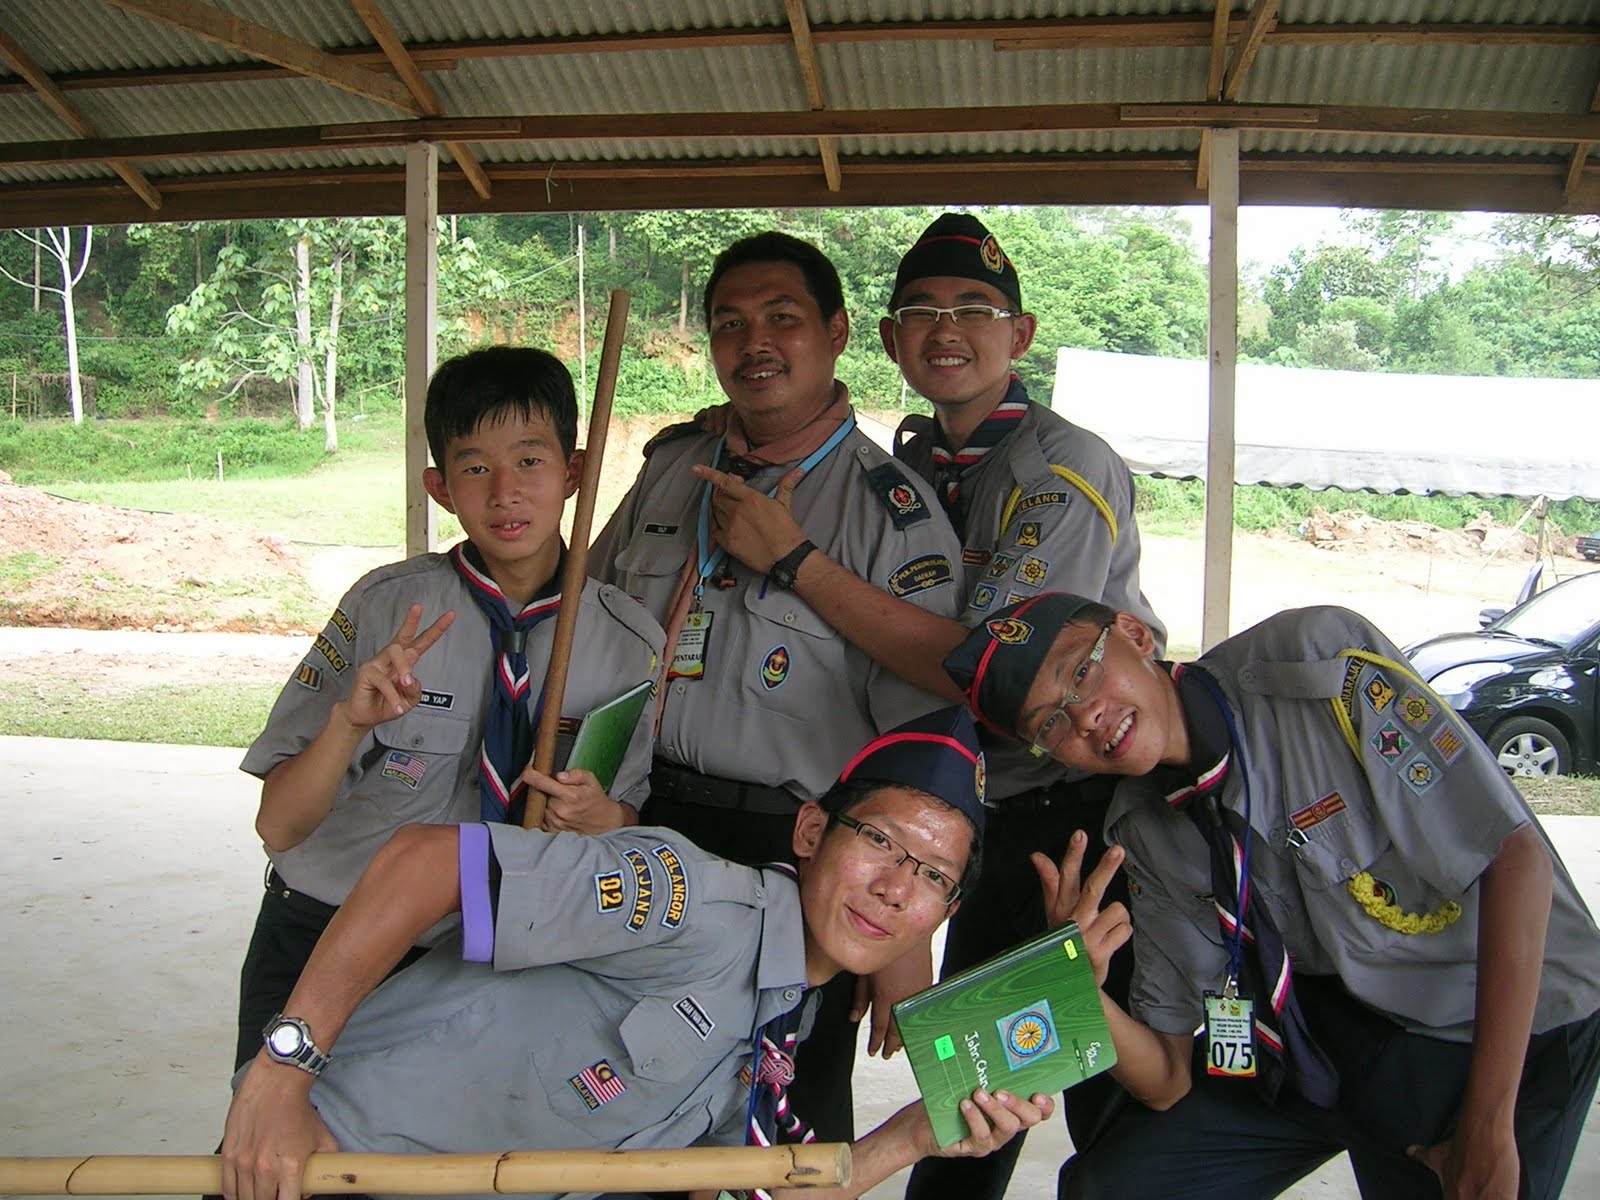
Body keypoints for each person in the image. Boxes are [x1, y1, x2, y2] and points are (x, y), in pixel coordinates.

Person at [693, 213, 1162, 1193]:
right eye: (920, 311)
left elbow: (987, 671)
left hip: (1087, 824)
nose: (946, 330)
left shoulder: (1056, 471)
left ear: (1020, 335)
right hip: (981, 823)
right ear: (889, 338)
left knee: (1104, 1108)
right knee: (968, 1094)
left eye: (975, 311)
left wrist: (795, 559)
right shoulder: (913, 466)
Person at [219, 708, 1055, 1200]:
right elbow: (425, 863)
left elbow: (765, 1183)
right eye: (878, 840)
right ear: (809, 832)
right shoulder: (690, 902)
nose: (895, 888)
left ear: (942, 912)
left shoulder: (776, 1016)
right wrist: (282, 1070)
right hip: (324, 1170)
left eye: (933, 875)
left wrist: (913, 1136)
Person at [944, 591, 1600, 1200]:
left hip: (1494, 1018)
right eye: (1051, 722)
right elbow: (1169, 1077)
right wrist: (1078, 989)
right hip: (1323, 1034)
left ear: (1136, 635)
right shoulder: (1145, 830)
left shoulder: (1318, 665)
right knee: (1114, 1185)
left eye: (1081, 672)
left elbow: (1515, 862)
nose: (1084, 716)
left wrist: (1489, 1126)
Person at [588, 231, 961, 1142]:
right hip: (636, 826)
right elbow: (592, 634)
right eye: (730, 324)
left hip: (788, 855)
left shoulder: (891, 514)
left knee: (780, 1122)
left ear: (835, 333)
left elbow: (925, 740)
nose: (754, 342)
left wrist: (904, 935)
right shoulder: (669, 470)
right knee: (616, 1087)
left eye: (782, 319)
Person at [232, 346, 664, 1071]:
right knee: (271, 1162)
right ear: (439, 487)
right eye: (474, 467)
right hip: (325, 932)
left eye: (530, 460)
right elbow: (278, 822)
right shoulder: (386, 608)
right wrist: (349, 724)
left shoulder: (627, 643)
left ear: (576, 472)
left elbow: (625, 826)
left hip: (496, 957)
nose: (504, 493)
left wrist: (601, 818)